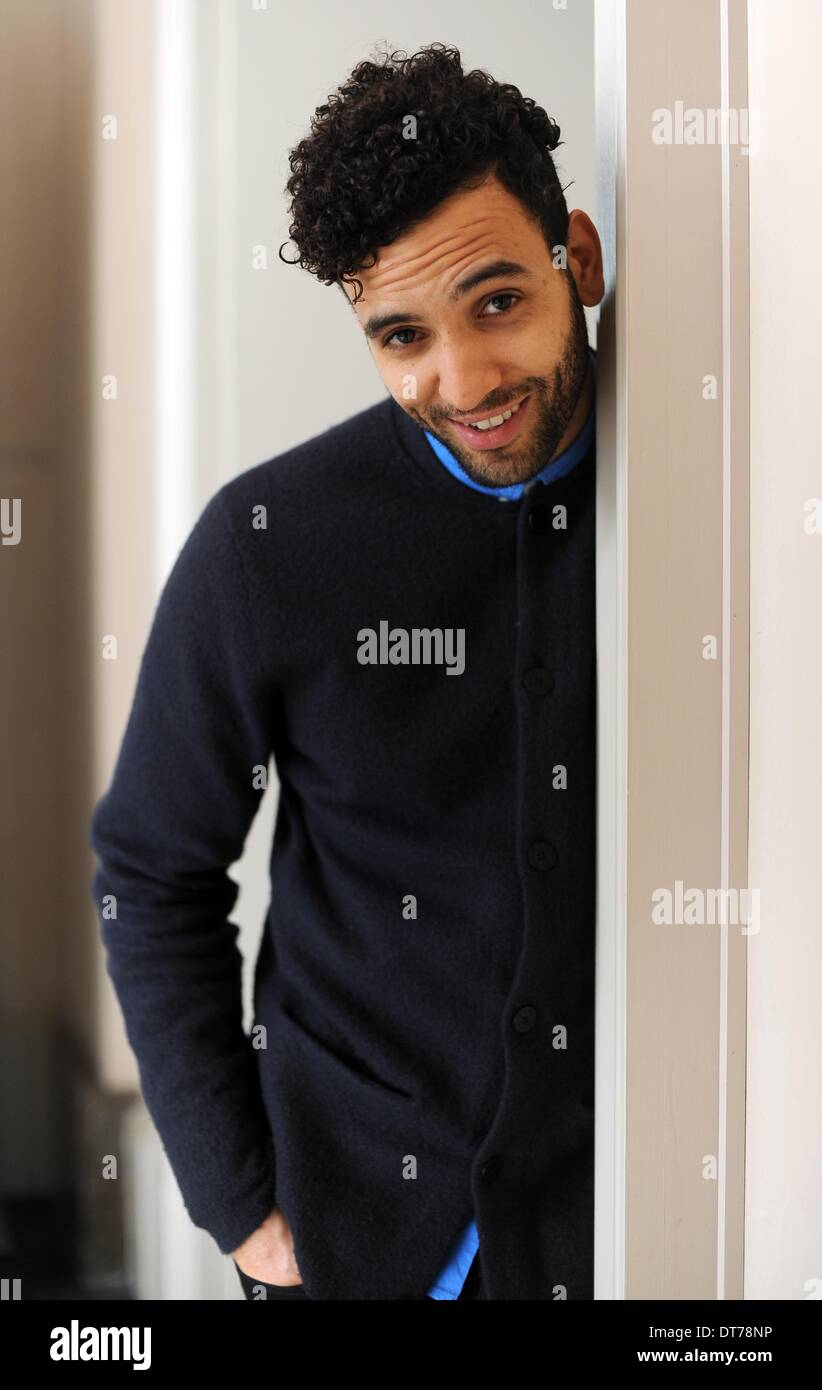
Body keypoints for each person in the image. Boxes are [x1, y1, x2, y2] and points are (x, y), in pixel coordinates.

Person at [89, 41, 604, 1301]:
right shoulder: (265, 549)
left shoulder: (703, 509)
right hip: (358, 1250)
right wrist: (246, 1212)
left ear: (575, 260)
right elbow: (151, 873)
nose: (464, 380)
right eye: (401, 336)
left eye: (498, 302)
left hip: (630, 1231)